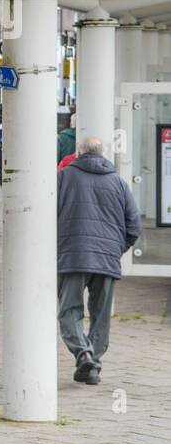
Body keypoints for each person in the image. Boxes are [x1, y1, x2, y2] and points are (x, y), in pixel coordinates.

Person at [57, 136, 141, 385]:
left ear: (79, 153)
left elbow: (46, 214)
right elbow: (134, 226)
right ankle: (92, 361)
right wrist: (115, 249)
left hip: (72, 255)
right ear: (101, 153)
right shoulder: (119, 183)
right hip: (106, 259)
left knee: (69, 310)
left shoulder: (62, 178)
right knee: (101, 315)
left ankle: (84, 354)